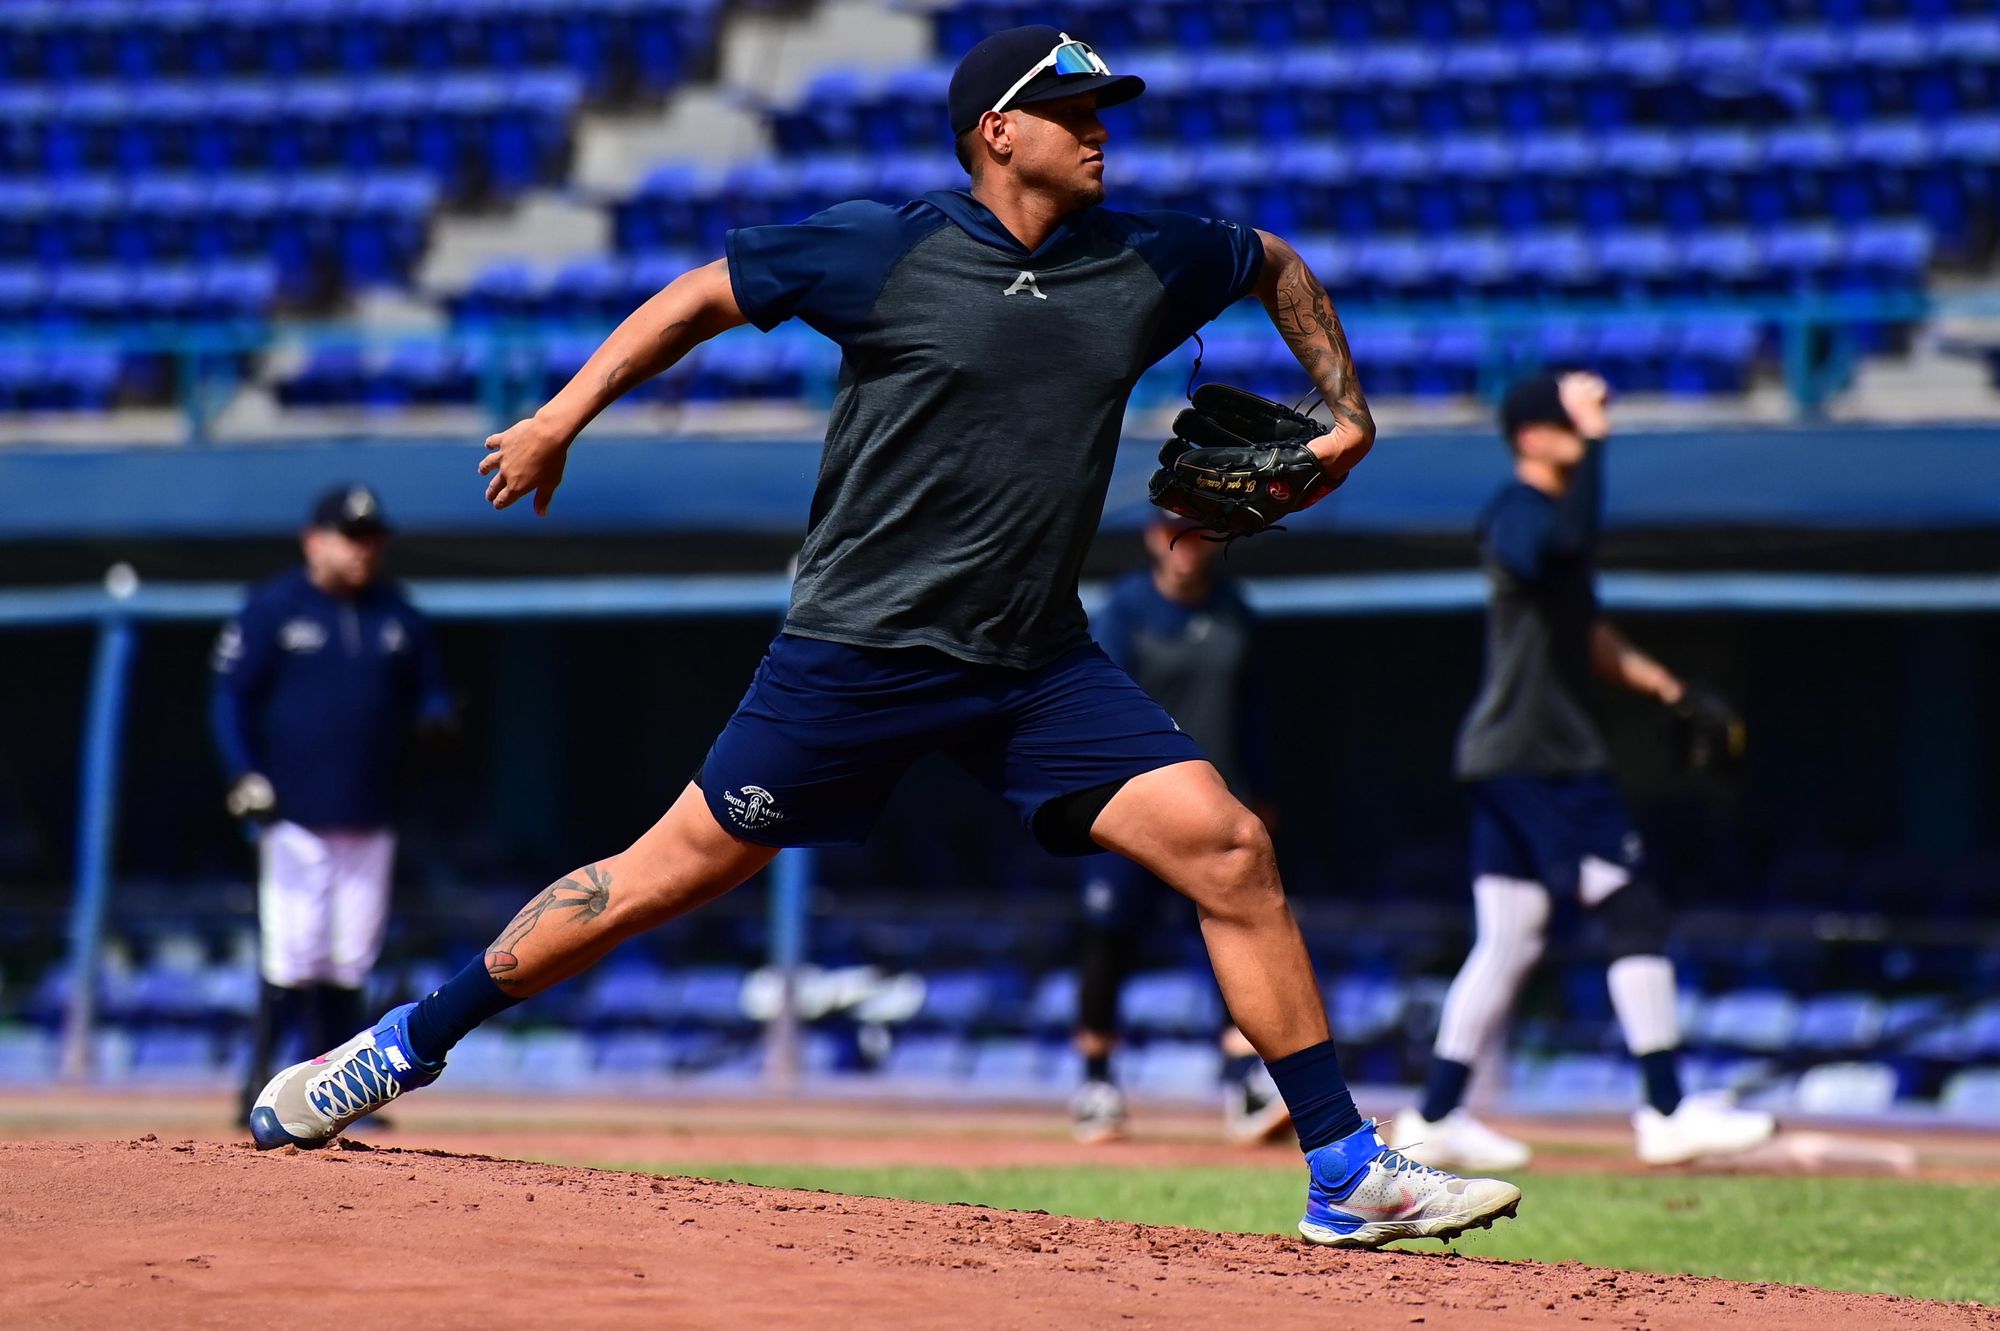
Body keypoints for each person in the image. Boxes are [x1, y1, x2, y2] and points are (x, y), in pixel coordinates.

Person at [248, 26, 1523, 1249]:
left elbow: (1273, 263)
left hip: (1031, 662)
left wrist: (1345, 419)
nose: (1099, 134)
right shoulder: (885, 248)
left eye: (1102, 113)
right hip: (855, 651)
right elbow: (700, 296)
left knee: (1229, 847)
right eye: (1073, 114)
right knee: (656, 879)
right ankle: (403, 1040)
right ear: (997, 132)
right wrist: (558, 417)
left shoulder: (1144, 257)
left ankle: (1343, 1168)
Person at [1392, 370, 1775, 1170]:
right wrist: (1597, 442)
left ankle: (1435, 1115)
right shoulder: (1520, 513)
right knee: (1632, 905)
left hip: (1516, 753)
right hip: (1542, 754)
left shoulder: (1552, 524)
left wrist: (1668, 686)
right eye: (1569, 421)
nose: (1586, 429)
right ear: (1534, 435)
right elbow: (1557, 545)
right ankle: (1666, 1109)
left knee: (1511, 937)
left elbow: (1588, 634)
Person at [212, 483, 453, 1127]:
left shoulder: (396, 612)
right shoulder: (274, 607)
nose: (365, 549)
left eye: (373, 537)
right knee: (292, 956)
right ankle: (258, 1089)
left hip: (371, 812)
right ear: (314, 540)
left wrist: (433, 717)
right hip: (292, 813)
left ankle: (341, 1096)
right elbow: (230, 698)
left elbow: (431, 691)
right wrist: (244, 773)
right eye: (353, 536)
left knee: (350, 961)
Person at [1070, 515, 1289, 1145]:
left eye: (1199, 532)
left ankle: (1244, 1079)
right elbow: (1093, 707)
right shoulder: (1126, 609)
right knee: (1109, 938)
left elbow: (1253, 713)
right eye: (1175, 530)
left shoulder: (1236, 611)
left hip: (1217, 807)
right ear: (1151, 535)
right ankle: (1097, 1082)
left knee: (1232, 937)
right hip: (1131, 804)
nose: (1187, 543)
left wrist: (1263, 793)